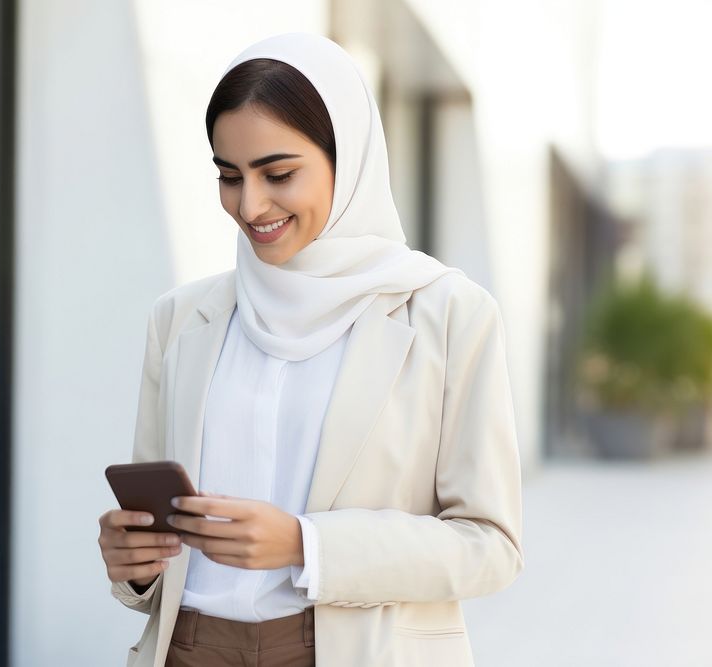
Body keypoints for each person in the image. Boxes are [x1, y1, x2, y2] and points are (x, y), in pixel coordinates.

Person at [97, 32, 523, 667]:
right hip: (189, 647)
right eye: (229, 175)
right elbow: (155, 536)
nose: (250, 204)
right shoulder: (182, 318)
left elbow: (491, 546)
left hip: (353, 650)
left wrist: (307, 545)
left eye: (279, 173)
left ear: (345, 159)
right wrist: (133, 565)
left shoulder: (447, 314)